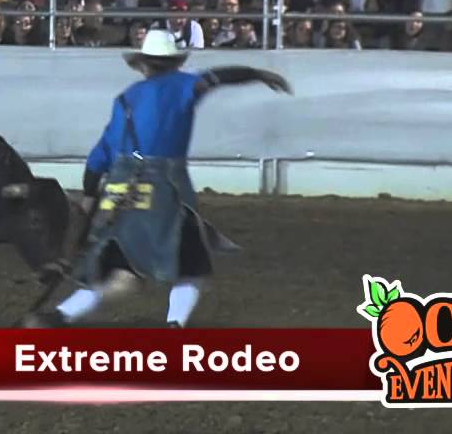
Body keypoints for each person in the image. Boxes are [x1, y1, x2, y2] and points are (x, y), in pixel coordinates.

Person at [26, 29, 292, 329]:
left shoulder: (125, 99)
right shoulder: (185, 85)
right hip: (164, 189)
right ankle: (174, 324)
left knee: (116, 268)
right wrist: (256, 74)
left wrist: (90, 195)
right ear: (176, 63)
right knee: (191, 266)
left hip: (118, 187)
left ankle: (60, 315)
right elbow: (218, 77)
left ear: (143, 65)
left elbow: (101, 154)